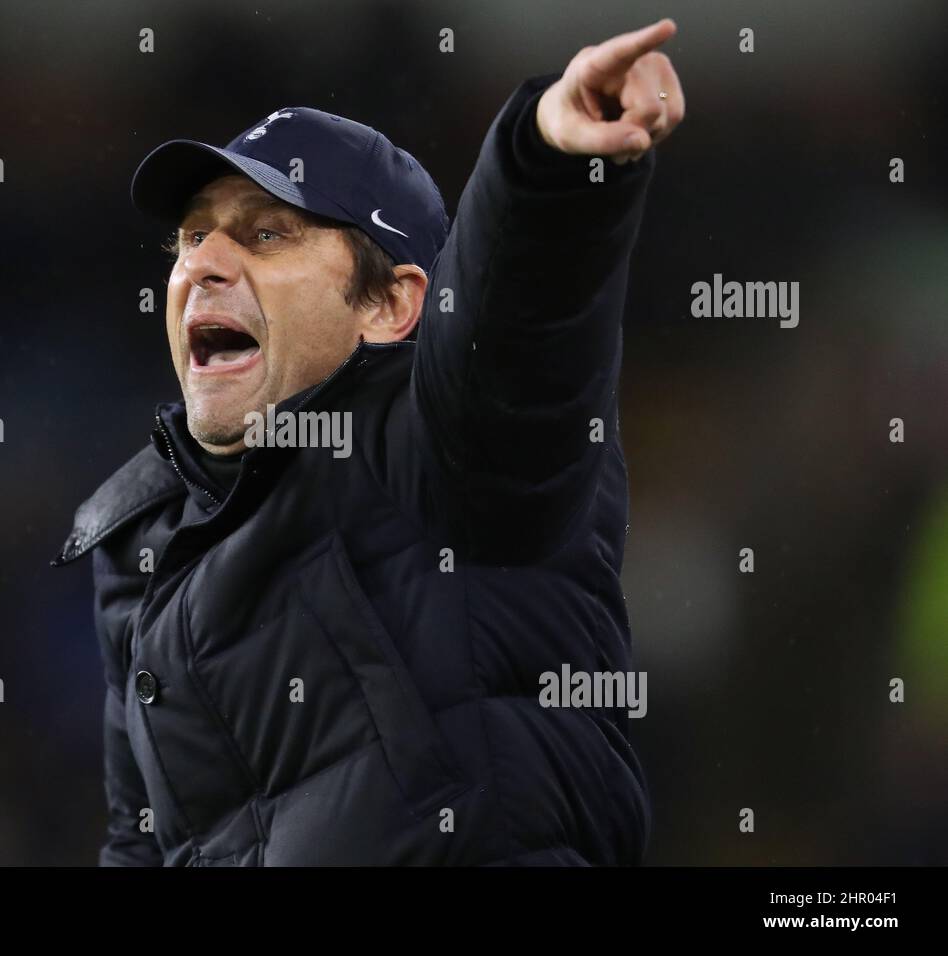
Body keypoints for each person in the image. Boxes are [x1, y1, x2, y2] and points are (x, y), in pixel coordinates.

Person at [53, 19, 686, 865]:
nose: (202, 262)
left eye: (267, 233)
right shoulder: (141, 544)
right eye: (193, 234)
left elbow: (520, 327)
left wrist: (549, 166)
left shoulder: (446, 448)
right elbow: (143, 846)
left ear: (390, 305)